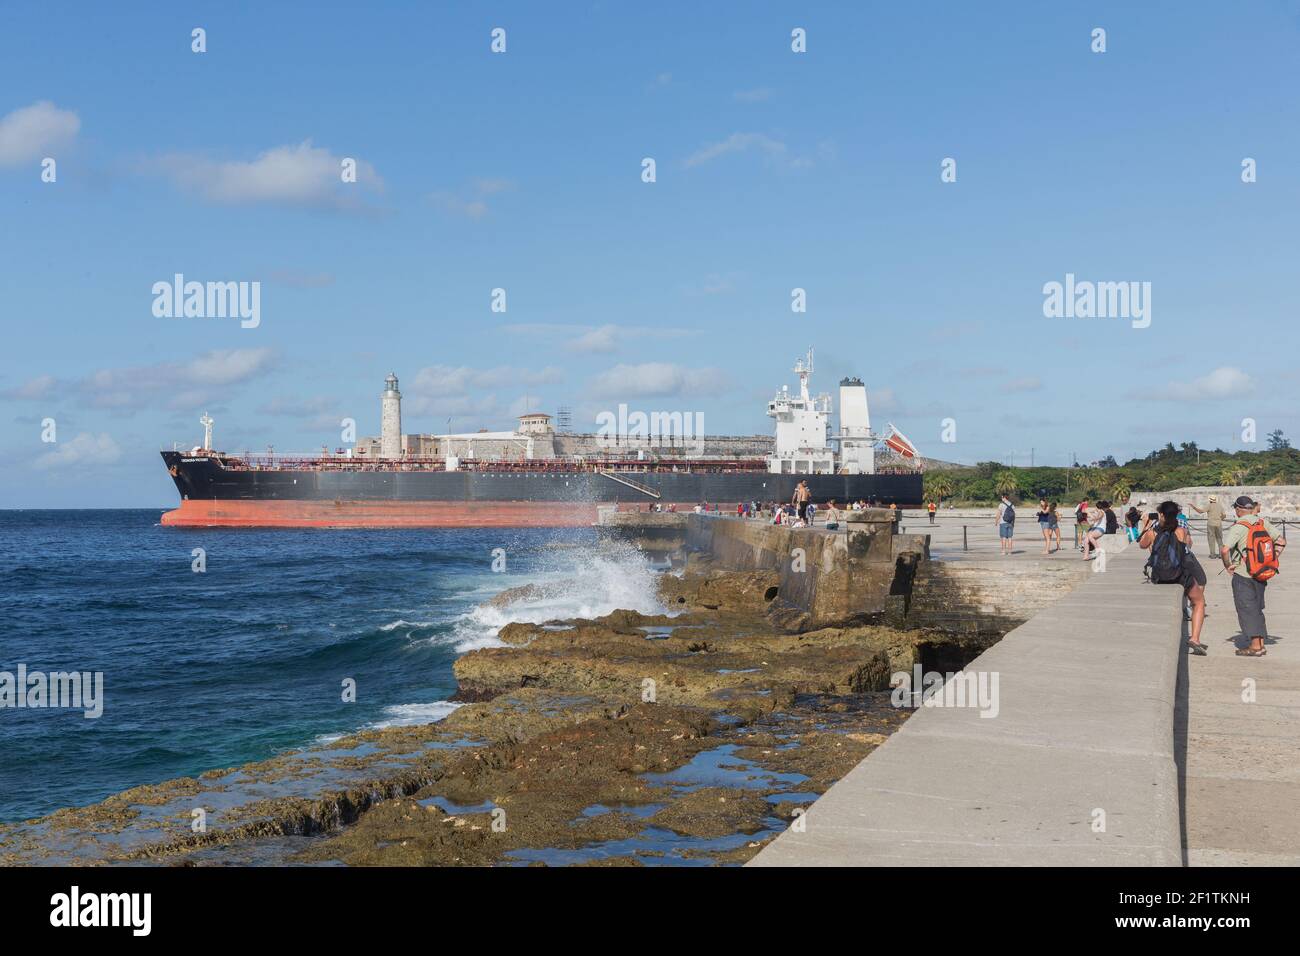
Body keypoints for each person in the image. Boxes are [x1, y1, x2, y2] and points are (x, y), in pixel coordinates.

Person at [1220, 495, 1286, 657]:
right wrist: (1272, 559)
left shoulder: (1238, 526)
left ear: (1238, 509)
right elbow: (1281, 541)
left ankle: (1255, 647)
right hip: (1262, 573)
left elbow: (1224, 550)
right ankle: (1261, 644)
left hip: (1244, 574)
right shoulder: (1262, 522)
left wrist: (1228, 566)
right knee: (1256, 608)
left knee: (1246, 609)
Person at [1140, 500, 1208, 655]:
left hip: (1159, 576)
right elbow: (1187, 547)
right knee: (1199, 602)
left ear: (1161, 515)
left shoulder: (1153, 532)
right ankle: (1195, 638)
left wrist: (1147, 525)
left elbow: (1142, 545)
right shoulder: (1181, 531)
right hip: (1180, 576)